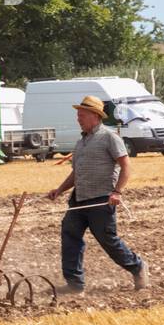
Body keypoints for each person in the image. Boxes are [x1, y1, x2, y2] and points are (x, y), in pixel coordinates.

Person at [47, 95, 148, 293]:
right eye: (78, 115)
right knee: (70, 235)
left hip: (101, 201)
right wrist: (59, 190)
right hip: (79, 200)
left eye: (81, 115)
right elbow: (76, 173)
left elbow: (126, 166)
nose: (78, 118)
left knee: (108, 240)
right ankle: (75, 285)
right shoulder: (81, 142)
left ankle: (137, 267)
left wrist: (117, 192)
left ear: (95, 115)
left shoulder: (109, 137)